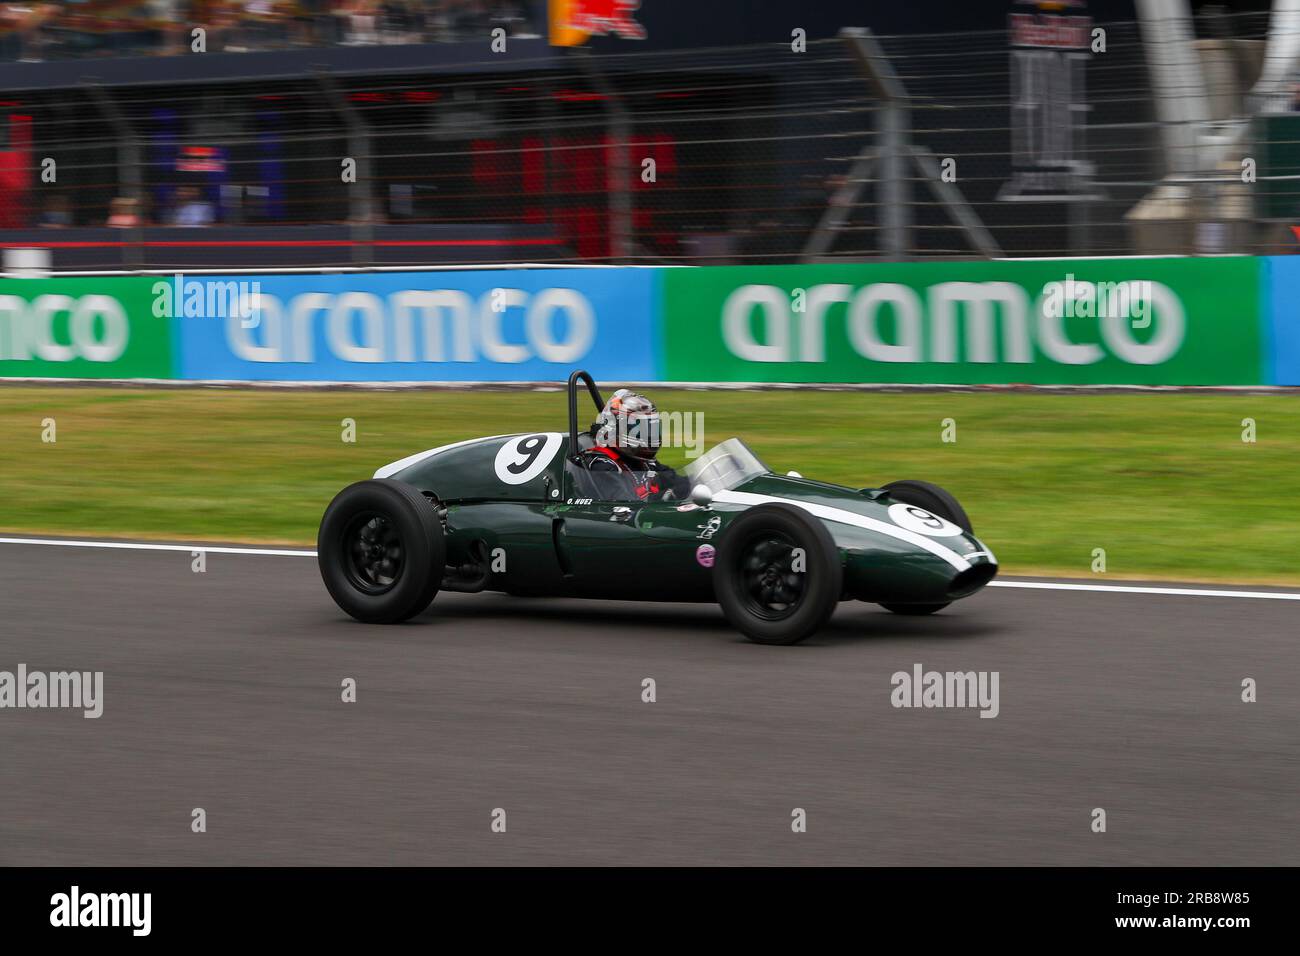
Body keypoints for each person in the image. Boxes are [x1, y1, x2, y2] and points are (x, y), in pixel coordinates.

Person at [580, 389, 690, 503]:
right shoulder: (602, 466)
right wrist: (668, 496)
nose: (648, 436)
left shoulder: (643, 461)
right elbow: (625, 503)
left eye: (650, 428)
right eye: (639, 429)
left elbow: (678, 481)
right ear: (618, 428)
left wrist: (697, 482)